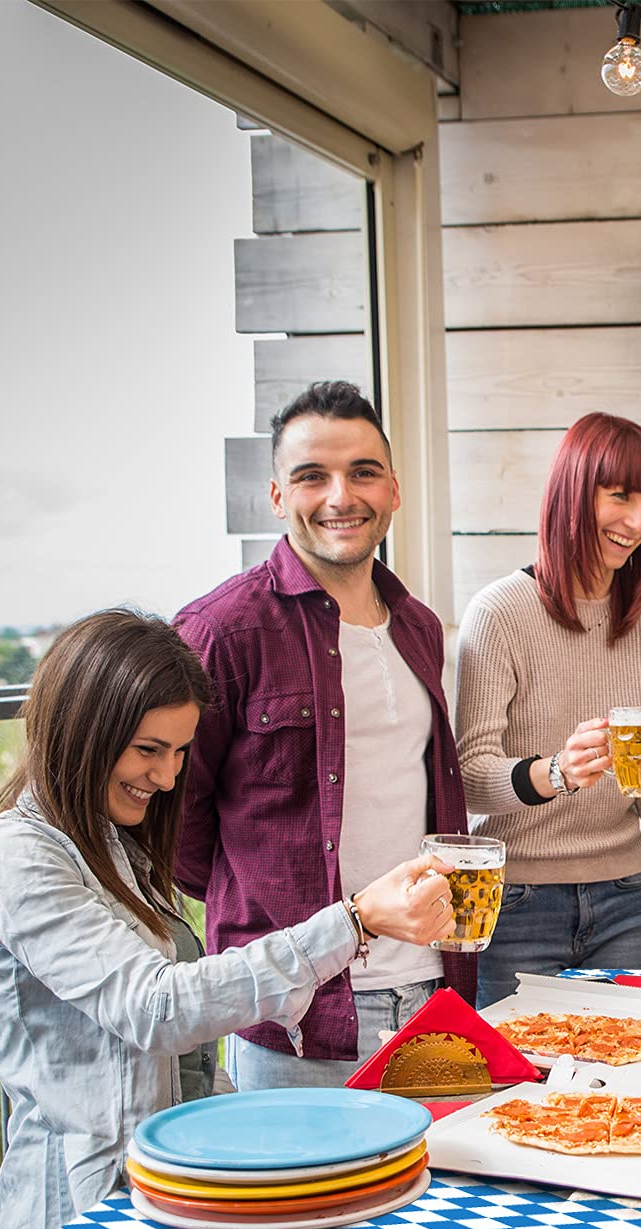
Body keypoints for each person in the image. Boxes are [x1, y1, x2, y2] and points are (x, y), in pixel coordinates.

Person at [0, 611, 456, 1229]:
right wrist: (353, 921)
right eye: (148, 750)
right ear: (79, 732)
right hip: (77, 1228)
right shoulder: (11, 859)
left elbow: (180, 1065)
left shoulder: (113, 844)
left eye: (180, 751)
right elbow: (157, 1008)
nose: (167, 778)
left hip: (168, 1199)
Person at [175, 381, 474, 1090]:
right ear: (278, 497)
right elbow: (175, 829)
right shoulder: (220, 632)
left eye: (363, 472)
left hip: (434, 992)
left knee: (441, 1202)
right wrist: (256, 899)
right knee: (307, 1205)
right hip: (297, 1016)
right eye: (313, 476)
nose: (341, 496)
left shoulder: (419, 626)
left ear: (394, 490)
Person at [454, 413, 641, 1004]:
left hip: (626, 902)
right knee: (521, 1088)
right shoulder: (499, 613)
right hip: (517, 905)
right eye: (620, 497)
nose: (637, 522)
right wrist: (554, 772)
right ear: (573, 492)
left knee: (626, 1084)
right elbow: (468, 778)